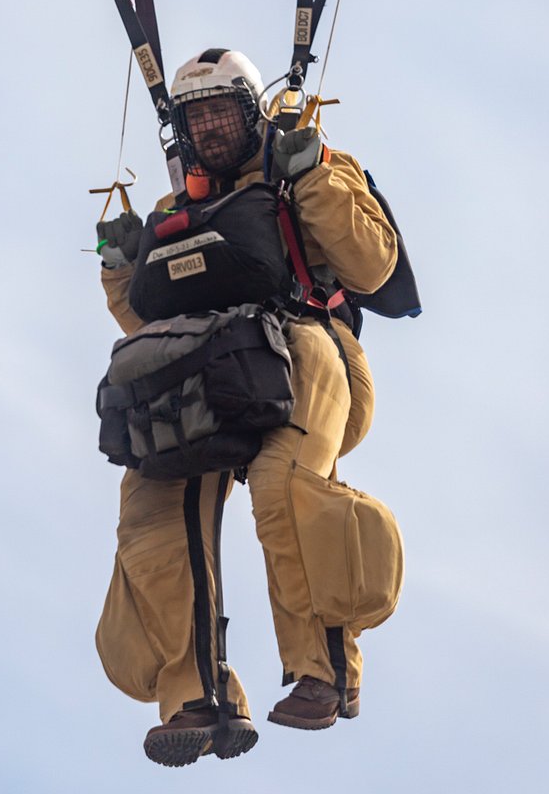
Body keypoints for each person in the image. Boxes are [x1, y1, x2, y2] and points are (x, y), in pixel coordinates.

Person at [95, 48, 404, 767]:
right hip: (203, 365)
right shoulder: (177, 208)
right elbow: (148, 322)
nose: (207, 129)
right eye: (193, 118)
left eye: (219, 113)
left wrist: (317, 174)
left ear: (249, 111)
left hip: (301, 346)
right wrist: (123, 269)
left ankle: (323, 669)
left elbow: (371, 264)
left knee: (283, 485)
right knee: (150, 508)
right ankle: (194, 695)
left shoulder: (307, 167)